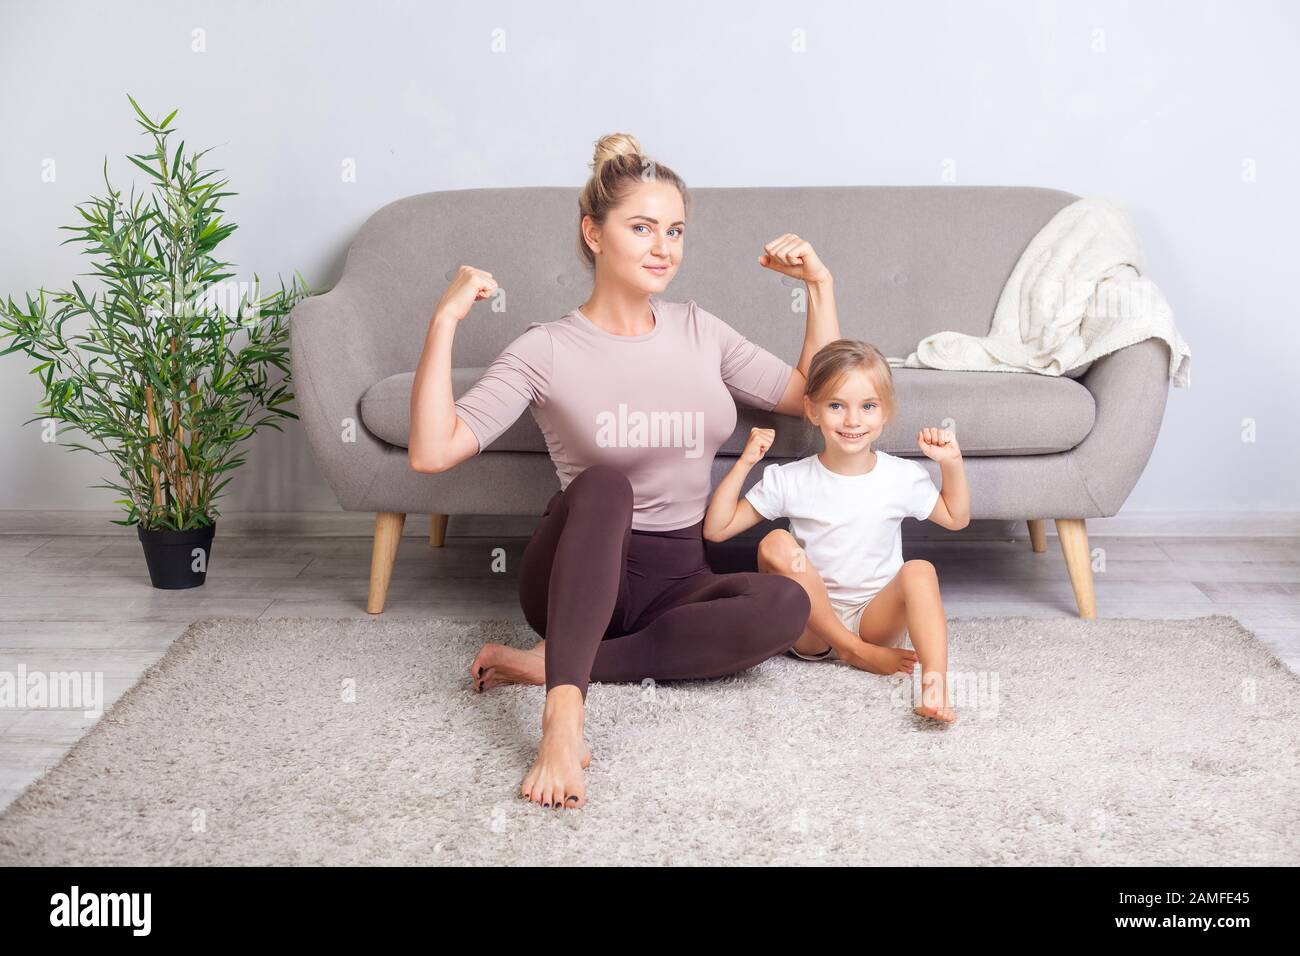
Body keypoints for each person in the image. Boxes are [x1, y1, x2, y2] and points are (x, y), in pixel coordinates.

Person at [408, 132, 843, 809]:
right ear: (594, 233)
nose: (663, 247)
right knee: (608, 484)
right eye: (641, 227)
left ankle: (547, 663)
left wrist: (820, 287)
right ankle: (562, 718)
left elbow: (812, 400)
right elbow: (432, 451)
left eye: (674, 230)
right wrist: (444, 321)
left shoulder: (701, 329)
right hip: (576, 574)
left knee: (786, 604)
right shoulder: (545, 347)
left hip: (677, 577)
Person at [702, 338, 971, 723]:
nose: (852, 421)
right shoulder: (790, 479)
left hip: (874, 620)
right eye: (835, 406)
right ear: (811, 410)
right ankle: (850, 650)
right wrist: (745, 462)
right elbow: (716, 529)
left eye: (868, 406)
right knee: (775, 542)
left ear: (885, 412)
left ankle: (934, 688)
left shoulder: (900, 476)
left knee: (920, 570)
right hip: (811, 626)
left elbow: (955, 517)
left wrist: (952, 463)